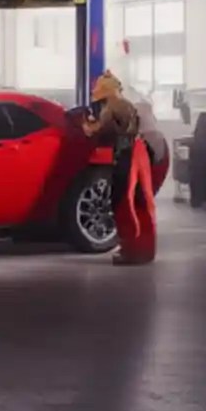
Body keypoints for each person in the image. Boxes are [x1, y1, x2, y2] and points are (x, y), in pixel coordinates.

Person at [82, 71, 157, 265]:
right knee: (143, 201)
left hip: (126, 154)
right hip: (140, 151)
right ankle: (146, 249)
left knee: (123, 201)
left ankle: (130, 250)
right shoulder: (127, 104)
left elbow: (102, 131)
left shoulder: (110, 108)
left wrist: (88, 126)